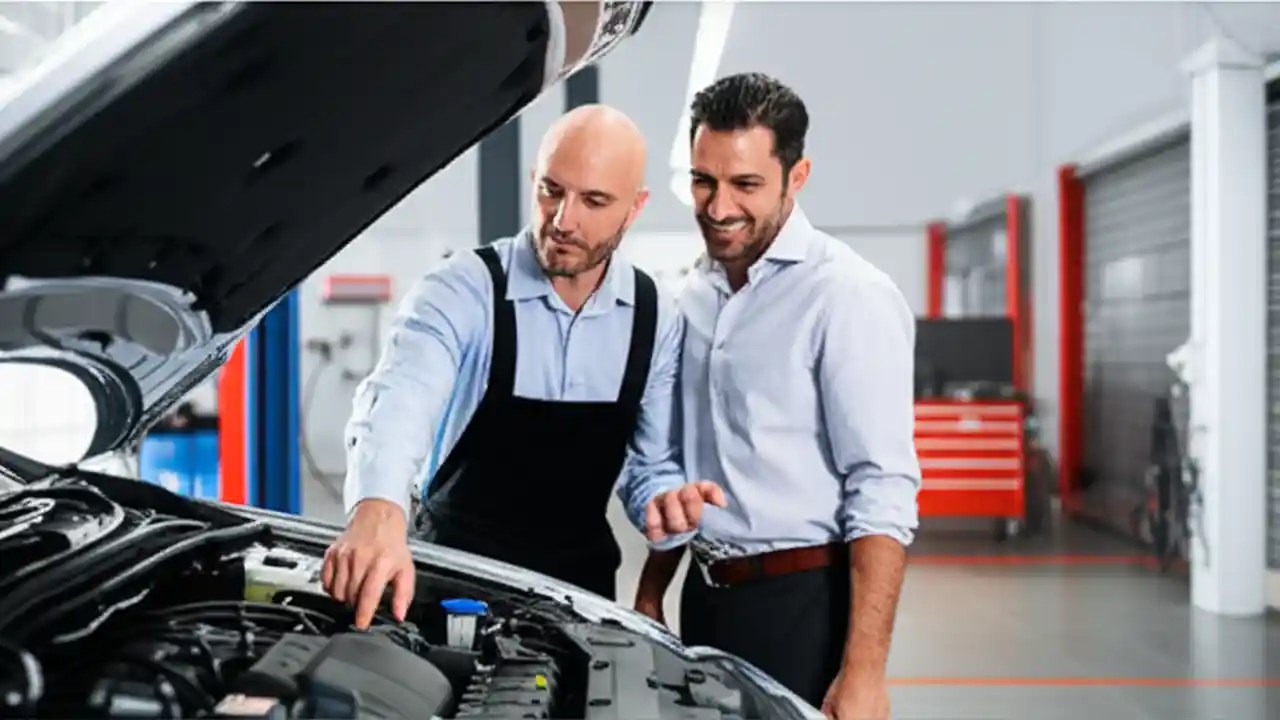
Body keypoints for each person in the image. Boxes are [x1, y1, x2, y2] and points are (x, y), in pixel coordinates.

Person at [321, 104, 723, 629]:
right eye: (551, 190)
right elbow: (401, 396)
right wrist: (378, 508)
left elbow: (648, 466)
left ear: (635, 207)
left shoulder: (654, 317)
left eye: (594, 201)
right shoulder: (464, 289)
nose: (563, 220)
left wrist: (665, 502)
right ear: (534, 179)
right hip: (453, 583)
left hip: (578, 597)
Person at [633, 73, 921, 720]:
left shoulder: (846, 296)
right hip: (705, 598)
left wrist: (865, 673)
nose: (718, 207)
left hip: (803, 606)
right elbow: (690, 462)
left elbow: (882, 486)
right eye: (703, 181)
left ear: (797, 176)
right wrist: (653, 591)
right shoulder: (696, 294)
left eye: (746, 184)